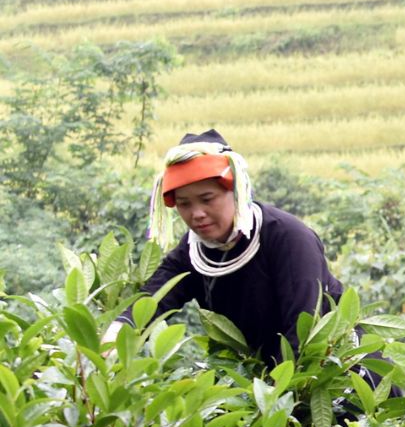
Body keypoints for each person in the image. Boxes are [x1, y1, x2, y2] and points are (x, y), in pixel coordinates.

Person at [115, 129, 343, 365]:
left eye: (207, 199)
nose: (197, 214)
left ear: (236, 193)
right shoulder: (194, 251)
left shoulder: (288, 237)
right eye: (184, 204)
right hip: (258, 378)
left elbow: (304, 329)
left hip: (332, 372)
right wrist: (114, 335)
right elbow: (153, 300)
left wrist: (274, 395)